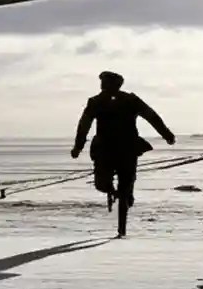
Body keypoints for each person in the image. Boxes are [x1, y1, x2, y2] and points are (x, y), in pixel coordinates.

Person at [71, 70, 176, 237]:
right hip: (106, 148)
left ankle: (125, 201)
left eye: (106, 83)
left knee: (127, 181)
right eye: (103, 83)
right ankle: (117, 193)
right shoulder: (96, 102)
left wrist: (167, 134)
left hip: (127, 148)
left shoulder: (130, 100)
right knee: (102, 183)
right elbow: (84, 125)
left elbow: (151, 116)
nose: (104, 86)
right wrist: (78, 147)